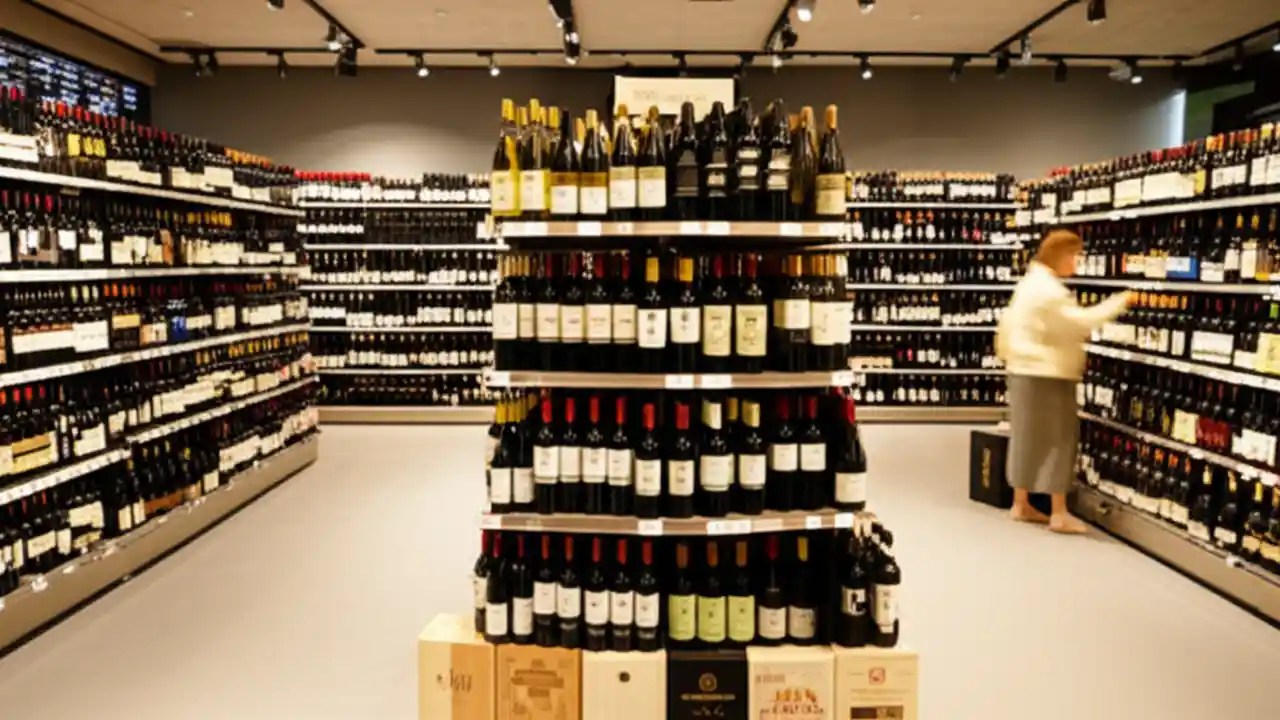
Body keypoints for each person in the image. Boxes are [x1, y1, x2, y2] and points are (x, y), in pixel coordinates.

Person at [995, 229, 1132, 534]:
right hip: (1048, 373)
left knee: (1026, 437)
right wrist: (1120, 302)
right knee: (1059, 440)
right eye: (1076, 256)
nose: (1077, 263)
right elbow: (1079, 323)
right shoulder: (1050, 291)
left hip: (1022, 368)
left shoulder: (1029, 283)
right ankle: (1059, 513)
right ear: (1062, 255)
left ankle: (1020, 504)